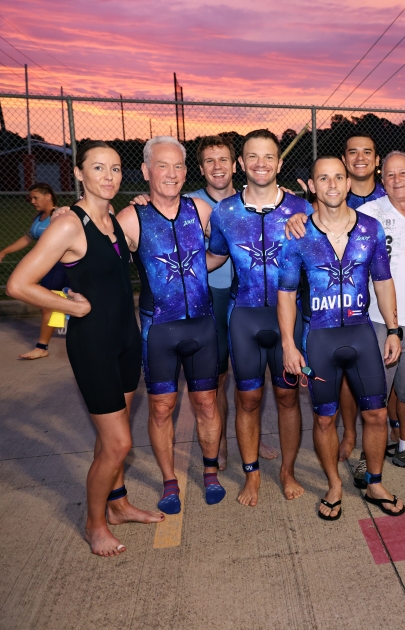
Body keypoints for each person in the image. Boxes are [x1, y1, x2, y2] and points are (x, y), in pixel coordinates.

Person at [5, 141, 163, 556]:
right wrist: (70, 306)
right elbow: (18, 284)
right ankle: (95, 524)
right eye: (98, 167)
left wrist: (143, 201)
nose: (108, 176)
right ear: (79, 173)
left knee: (112, 437)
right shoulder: (68, 224)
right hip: (92, 344)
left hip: (125, 340)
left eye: (115, 168)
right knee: (119, 443)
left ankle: (119, 505)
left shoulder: (113, 218)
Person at [290, 151, 405, 477]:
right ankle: (364, 450)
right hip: (370, 318)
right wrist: (299, 216)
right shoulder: (370, 213)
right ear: (381, 180)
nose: (397, 180)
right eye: (390, 175)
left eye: (403, 173)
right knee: (370, 394)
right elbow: (330, 215)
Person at [277, 155, 405, 520]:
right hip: (319, 338)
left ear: (349, 184)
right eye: (323, 178)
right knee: (323, 419)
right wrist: (288, 344)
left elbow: (383, 281)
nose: (332, 184)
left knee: (376, 414)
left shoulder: (370, 228)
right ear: (311, 186)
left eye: (338, 177)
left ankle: (375, 483)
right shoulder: (297, 234)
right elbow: (286, 293)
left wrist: (393, 329)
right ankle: (334, 484)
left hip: (361, 333)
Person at [115, 136, 224, 514]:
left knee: (207, 402)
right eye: (163, 165)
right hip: (159, 330)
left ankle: (211, 472)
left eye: (178, 166)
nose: (172, 173)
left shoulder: (201, 210)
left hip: (202, 327)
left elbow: (230, 237)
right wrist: (71, 213)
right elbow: (93, 243)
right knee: (162, 408)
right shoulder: (132, 218)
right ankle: (169, 481)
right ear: (146, 171)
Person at [205, 129, 313, 506]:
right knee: (248, 398)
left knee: (287, 396)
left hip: (289, 317)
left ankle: (287, 471)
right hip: (245, 317)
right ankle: (251, 474)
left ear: (280, 163)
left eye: (268, 156)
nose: (261, 163)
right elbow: (215, 256)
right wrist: (173, 267)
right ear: (241, 163)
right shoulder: (225, 211)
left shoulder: (302, 208)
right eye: (252, 156)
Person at [182, 136, 279, 469]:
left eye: (223, 159)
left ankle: (253, 437)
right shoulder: (189, 205)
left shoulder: (252, 199)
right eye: (209, 161)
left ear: (235, 164)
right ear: (200, 168)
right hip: (209, 295)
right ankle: (220, 441)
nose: (217, 167)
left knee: (251, 376)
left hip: (246, 299)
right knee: (219, 376)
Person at [335, 133, 388, 462]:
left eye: (367, 152)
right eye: (352, 152)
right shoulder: (333, 194)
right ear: (344, 159)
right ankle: (350, 433)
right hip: (345, 297)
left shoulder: (389, 194)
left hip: (382, 290)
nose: (360, 158)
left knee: (385, 366)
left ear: (377, 160)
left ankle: (394, 427)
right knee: (345, 369)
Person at [0, 182, 70, 360]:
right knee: (55, 303)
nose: (32, 201)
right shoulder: (40, 217)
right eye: (31, 198)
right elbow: (27, 238)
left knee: (48, 304)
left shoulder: (59, 215)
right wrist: (3, 252)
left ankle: (42, 347)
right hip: (47, 267)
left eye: (36, 197)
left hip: (59, 267)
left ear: (48, 196)